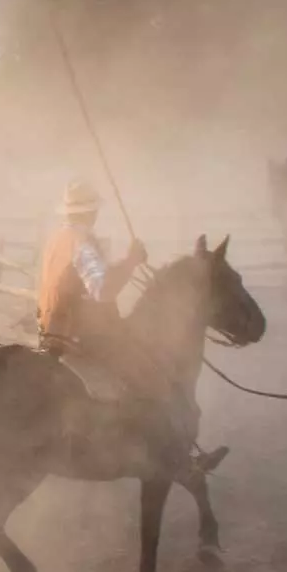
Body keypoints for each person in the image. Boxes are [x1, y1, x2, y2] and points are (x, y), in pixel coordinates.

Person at [36, 179, 228, 475]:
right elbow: (103, 290)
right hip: (84, 335)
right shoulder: (82, 246)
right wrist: (131, 261)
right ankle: (169, 456)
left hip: (54, 327)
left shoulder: (58, 239)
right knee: (155, 377)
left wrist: (128, 263)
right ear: (91, 213)